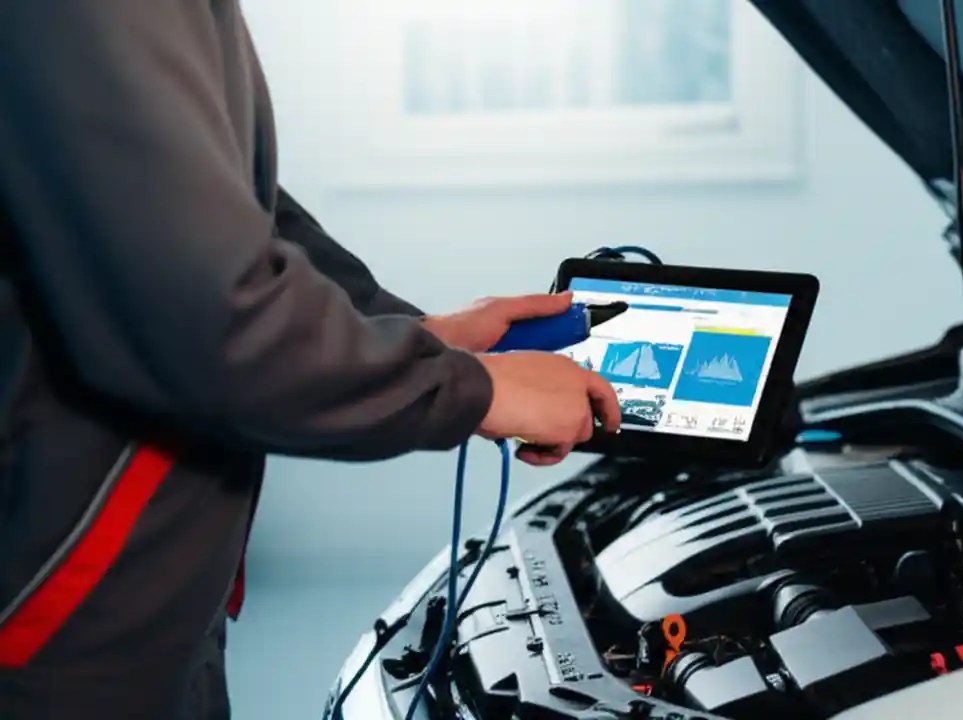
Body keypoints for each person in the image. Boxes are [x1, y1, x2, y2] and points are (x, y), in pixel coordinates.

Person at [0, 2, 621, 717]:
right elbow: (214, 321)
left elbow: (228, 204)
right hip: (52, 612)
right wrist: (474, 389)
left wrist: (417, 334)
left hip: (147, 591)